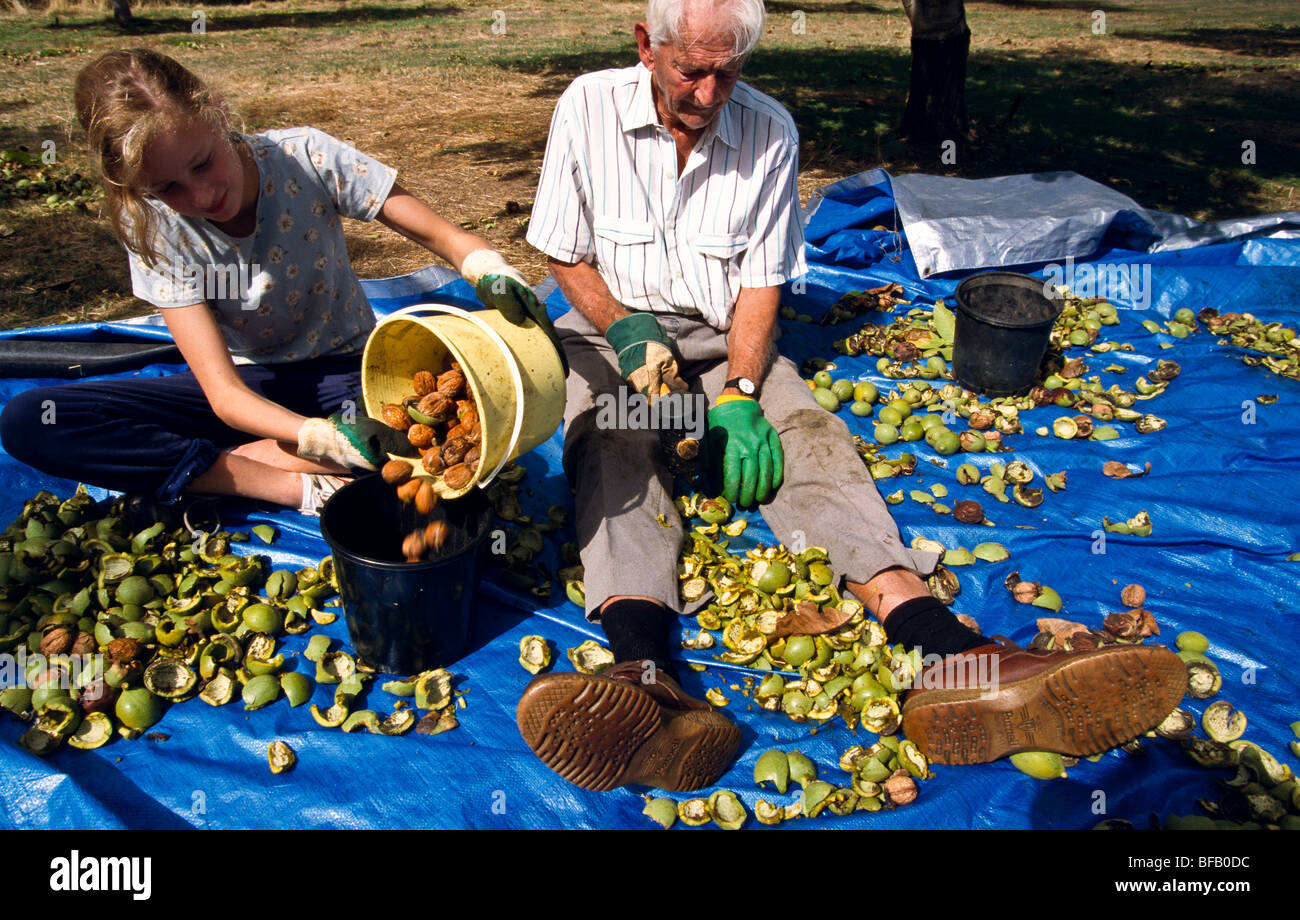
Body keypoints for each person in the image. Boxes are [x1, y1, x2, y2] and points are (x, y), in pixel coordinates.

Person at [515, 0, 1185, 792]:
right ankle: (647, 673)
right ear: (645, 46)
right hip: (613, 337)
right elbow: (562, 252)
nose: (706, 93)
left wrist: (736, 393)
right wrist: (626, 331)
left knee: (802, 432)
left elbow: (760, 284)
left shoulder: (769, 132)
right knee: (616, 439)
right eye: (690, 70)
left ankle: (953, 651)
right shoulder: (586, 107)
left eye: (727, 72)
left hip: (724, 338)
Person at [0, 48, 556, 518]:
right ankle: (290, 479)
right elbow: (223, 393)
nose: (198, 197)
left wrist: (488, 268)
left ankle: (224, 462)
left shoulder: (306, 157)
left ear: (217, 113)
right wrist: (319, 440)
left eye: (202, 163)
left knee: (454, 425)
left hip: (352, 375)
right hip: (253, 391)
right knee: (32, 420)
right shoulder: (154, 225)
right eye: (166, 186)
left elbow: (444, 236)